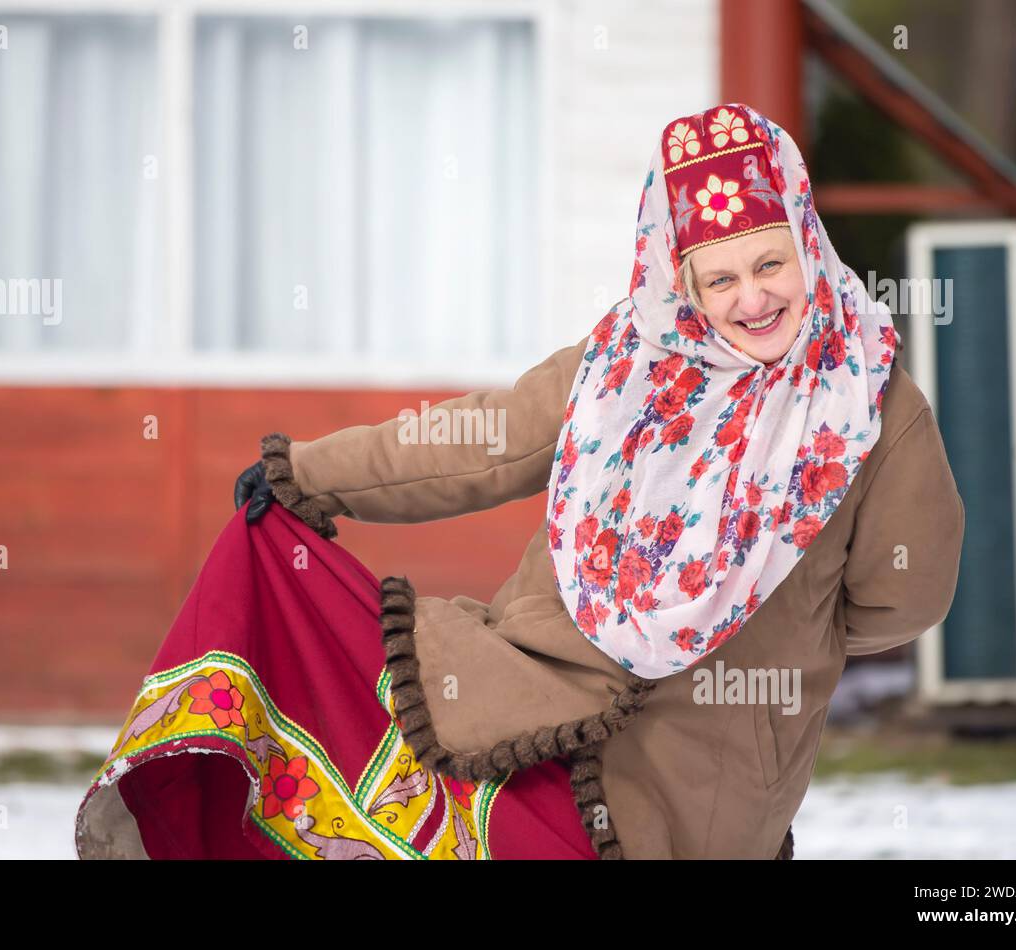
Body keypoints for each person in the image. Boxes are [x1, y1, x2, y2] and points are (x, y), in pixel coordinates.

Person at [75, 102, 965, 860]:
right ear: (682, 283)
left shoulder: (869, 406)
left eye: (771, 264)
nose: (751, 299)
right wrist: (310, 472)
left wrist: (781, 619)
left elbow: (907, 594)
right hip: (523, 728)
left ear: (808, 243)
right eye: (719, 277)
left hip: (700, 790)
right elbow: (482, 441)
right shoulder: (627, 365)